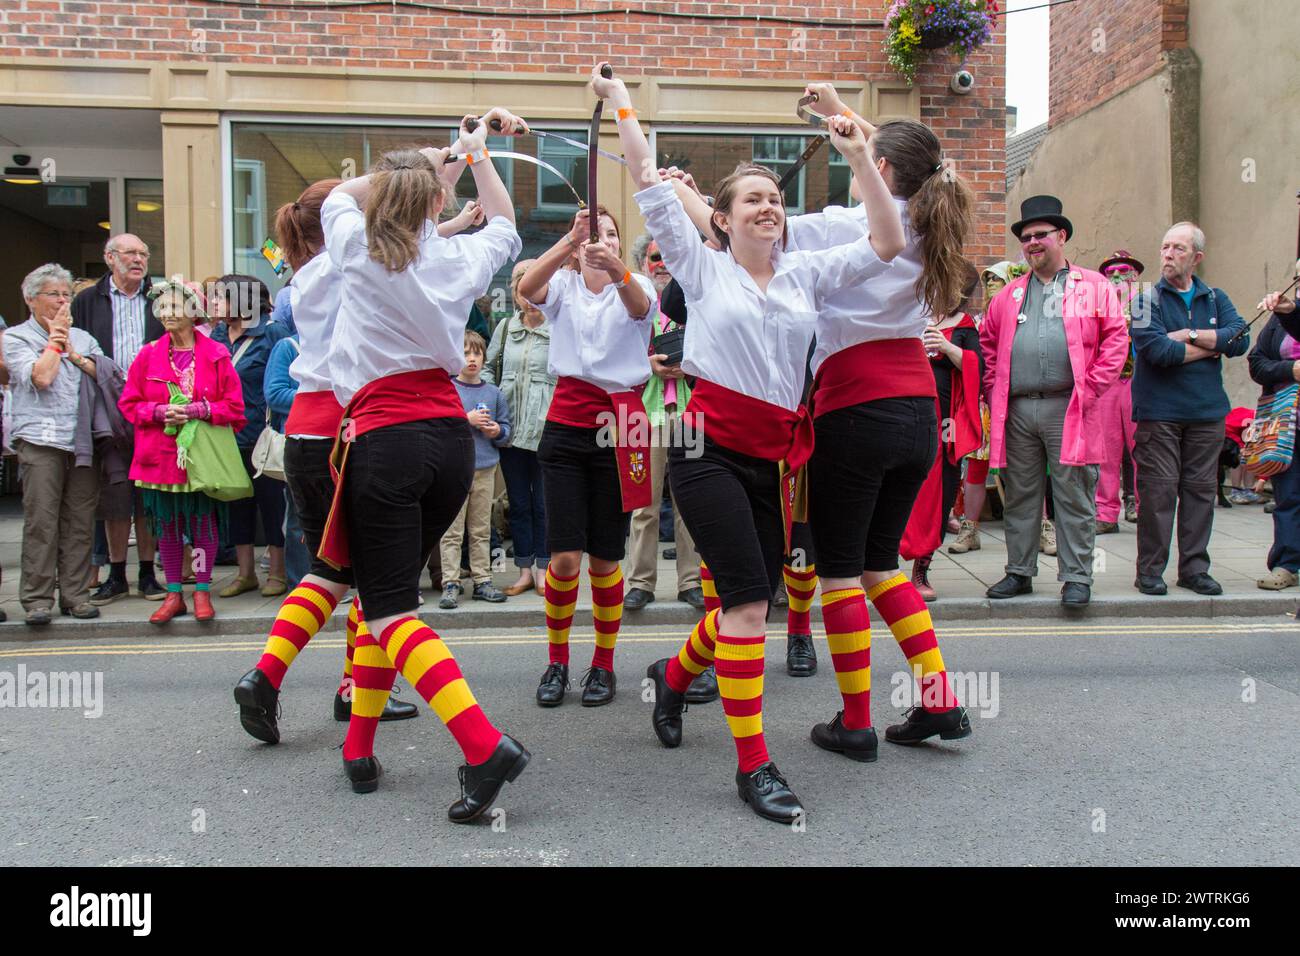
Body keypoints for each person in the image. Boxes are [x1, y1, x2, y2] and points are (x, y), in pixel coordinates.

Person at [601, 66, 905, 823]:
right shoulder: (703, 270)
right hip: (704, 450)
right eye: (753, 200)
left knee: (749, 601)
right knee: (743, 605)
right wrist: (621, 104)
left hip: (774, 459)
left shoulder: (807, 273)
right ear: (723, 220)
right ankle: (754, 766)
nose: (768, 206)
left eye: (775, 198)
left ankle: (674, 678)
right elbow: (643, 174)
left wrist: (857, 151)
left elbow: (890, 238)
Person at [316, 113, 530, 820]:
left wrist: (427, 163)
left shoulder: (356, 243)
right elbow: (504, 220)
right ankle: (359, 746)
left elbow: (334, 199)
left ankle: (483, 746)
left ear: (384, 195)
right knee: (391, 603)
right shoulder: (457, 259)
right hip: (447, 438)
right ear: (439, 203)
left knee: (387, 613)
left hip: (388, 436)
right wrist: (474, 155)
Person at [234, 179, 422, 747]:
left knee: (332, 569)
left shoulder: (301, 282)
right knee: (372, 578)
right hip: (348, 428)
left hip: (303, 434)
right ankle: (355, 691)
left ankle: (267, 675)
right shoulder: (350, 268)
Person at [516, 203, 654, 709]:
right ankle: (556, 660)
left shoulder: (638, 285)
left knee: (605, 558)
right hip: (567, 424)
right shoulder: (565, 287)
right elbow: (526, 290)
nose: (605, 242)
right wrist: (567, 242)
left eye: (612, 236)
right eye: (596, 236)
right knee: (565, 557)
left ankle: (603, 663)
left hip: (622, 426)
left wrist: (618, 269)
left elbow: (641, 309)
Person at [980, 195, 1129, 607]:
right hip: (1019, 409)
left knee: (1074, 494)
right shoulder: (1008, 295)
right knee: (1022, 494)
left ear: (1061, 236)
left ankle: (1077, 577)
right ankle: (1019, 572)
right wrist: (995, 385)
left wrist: (1093, 387)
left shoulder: (1093, 286)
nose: (1032, 243)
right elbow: (989, 344)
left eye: (1040, 235)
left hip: (1071, 407)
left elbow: (1116, 339)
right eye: (1026, 238)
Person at [1129, 222, 1250, 596]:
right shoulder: (1145, 300)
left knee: (1200, 493)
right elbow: (1158, 352)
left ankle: (1194, 569)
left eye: (1178, 248)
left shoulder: (1214, 297)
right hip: (1159, 413)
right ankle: (1150, 571)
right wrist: (1215, 345)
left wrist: (1190, 335)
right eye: (1165, 246)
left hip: (1207, 412)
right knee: (1158, 494)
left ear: (1196, 257)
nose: (1167, 254)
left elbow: (1241, 337)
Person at [118, 278, 248, 624]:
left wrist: (199, 410)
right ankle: (174, 592)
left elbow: (235, 408)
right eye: (162, 307)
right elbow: (129, 404)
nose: (167, 313)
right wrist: (158, 412)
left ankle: (202, 589)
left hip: (200, 458)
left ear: (194, 312)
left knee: (203, 523)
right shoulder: (148, 355)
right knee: (169, 525)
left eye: (175, 306)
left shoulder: (217, 355)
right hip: (160, 457)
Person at [5, 264, 104, 624]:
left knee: (79, 521)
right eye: (53, 294)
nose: (62, 301)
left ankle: (75, 596)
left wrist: (75, 352)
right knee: (41, 522)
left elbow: (106, 374)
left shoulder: (84, 337)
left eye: (66, 295)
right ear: (31, 299)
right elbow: (42, 376)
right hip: (39, 440)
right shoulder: (15, 338)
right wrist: (55, 340)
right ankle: (36, 600)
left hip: (81, 443)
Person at [71, 234, 165, 602]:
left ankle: (147, 573)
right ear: (110, 258)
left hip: (151, 409)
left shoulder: (158, 298)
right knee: (114, 495)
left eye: (144, 252)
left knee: (148, 496)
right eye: (130, 253)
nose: (138, 259)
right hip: (107, 409)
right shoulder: (86, 301)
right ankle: (116, 574)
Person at [623, 233, 704, 612]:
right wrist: (647, 364)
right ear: (643, 263)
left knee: (691, 503)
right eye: (655, 257)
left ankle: (691, 581)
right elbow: (614, 358)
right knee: (644, 503)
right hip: (642, 413)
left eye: (668, 256)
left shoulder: (696, 301)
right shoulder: (632, 304)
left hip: (692, 411)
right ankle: (641, 581)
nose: (662, 264)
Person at [900, 260, 984, 600]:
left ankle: (922, 570)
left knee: (941, 495)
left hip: (946, 425)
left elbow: (978, 368)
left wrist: (949, 348)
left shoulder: (964, 325)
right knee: (899, 493)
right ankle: (879, 572)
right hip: (907, 418)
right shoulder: (909, 317)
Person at [209, 274, 292, 598]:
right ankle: (245, 574)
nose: (214, 304)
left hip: (261, 433)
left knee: (271, 504)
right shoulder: (218, 334)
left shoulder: (272, 333)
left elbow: (282, 378)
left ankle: (277, 571)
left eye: (221, 297)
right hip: (225, 435)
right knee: (237, 504)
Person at [483, 259, 555, 596]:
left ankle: (545, 570)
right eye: (519, 283)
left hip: (544, 429)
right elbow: (487, 370)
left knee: (543, 502)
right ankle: (524, 571)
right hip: (510, 429)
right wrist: (487, 409)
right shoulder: (505, 329)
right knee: (518, 503)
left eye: (531, 281)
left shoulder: (558, 327)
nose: (525, 290)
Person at [950, 261, 1026, 554]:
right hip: (983, 402)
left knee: (1025, 464)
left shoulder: (1022, 317)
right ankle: (970, 529)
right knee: (977, 467)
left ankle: (1040, 526)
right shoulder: (976, 322)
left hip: (1015, 401)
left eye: (998, 279)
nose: (992, 285)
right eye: (988, 280)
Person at [438, 330, 512, 607]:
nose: (471, 359)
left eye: (477, 354)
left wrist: (497, 432)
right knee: (452, 532)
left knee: (481, 529)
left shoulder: (494, 393)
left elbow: (507, 430)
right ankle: (451, 583)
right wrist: (464, 419)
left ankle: (482, 580)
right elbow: (439, 428)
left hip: (485, 469)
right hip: (454, 470)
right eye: (466, 353)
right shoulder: (447, 390)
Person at [1251, 284, 1300, 589]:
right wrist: (1290, 369)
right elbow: (1257, 363)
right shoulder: (1280, 317)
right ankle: (1287, 564)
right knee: (1288, 494)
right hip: (1285, 420)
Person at [1093, 249, 1144, 535]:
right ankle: (1105, 512)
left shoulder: (1147, 306)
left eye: (1123, 272)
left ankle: (1143, 506)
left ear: (1135, 277)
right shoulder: (1098, 309)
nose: (1116, 278)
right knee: (1107, 452)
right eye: (1110, 273)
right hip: (1109, 384)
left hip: (1138, 382)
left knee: (1142, 449)